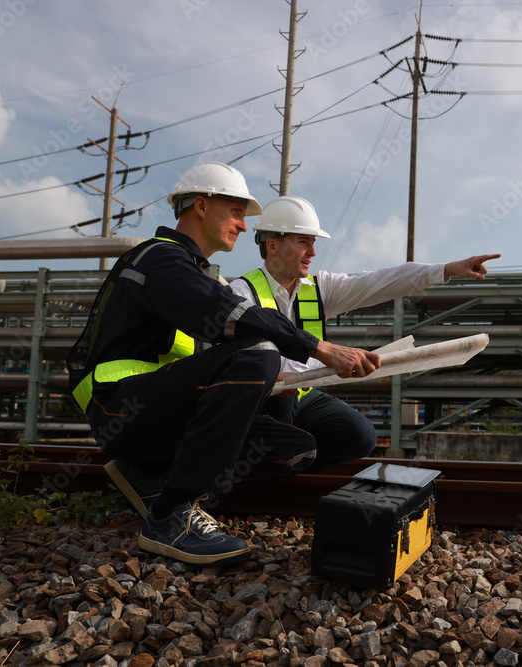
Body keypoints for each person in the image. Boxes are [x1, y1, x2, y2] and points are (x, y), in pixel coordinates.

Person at [67, 162, 380, 566]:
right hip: (121, 407)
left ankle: (151, 474)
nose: (244, 226)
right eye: (236, 212)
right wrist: (317, 347)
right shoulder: (161, 259)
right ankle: (168, 516)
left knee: (296, 448)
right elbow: (226, 313)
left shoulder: (187, 269)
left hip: (150, 409)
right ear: (201, 204)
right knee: (259, 351)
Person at [228, 195, 500, 475]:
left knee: (360, 436)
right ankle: (252, 475)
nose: (312, 252)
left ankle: (283, 470)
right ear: (272, 245)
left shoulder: (319, 288)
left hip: (305, 396)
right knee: (280, 422)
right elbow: (229, 366)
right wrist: (275, 381)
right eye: (303, 242)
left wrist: (446, 270)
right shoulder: (242, 292)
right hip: (263, 400)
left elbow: (380, 281)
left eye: (313, 243)